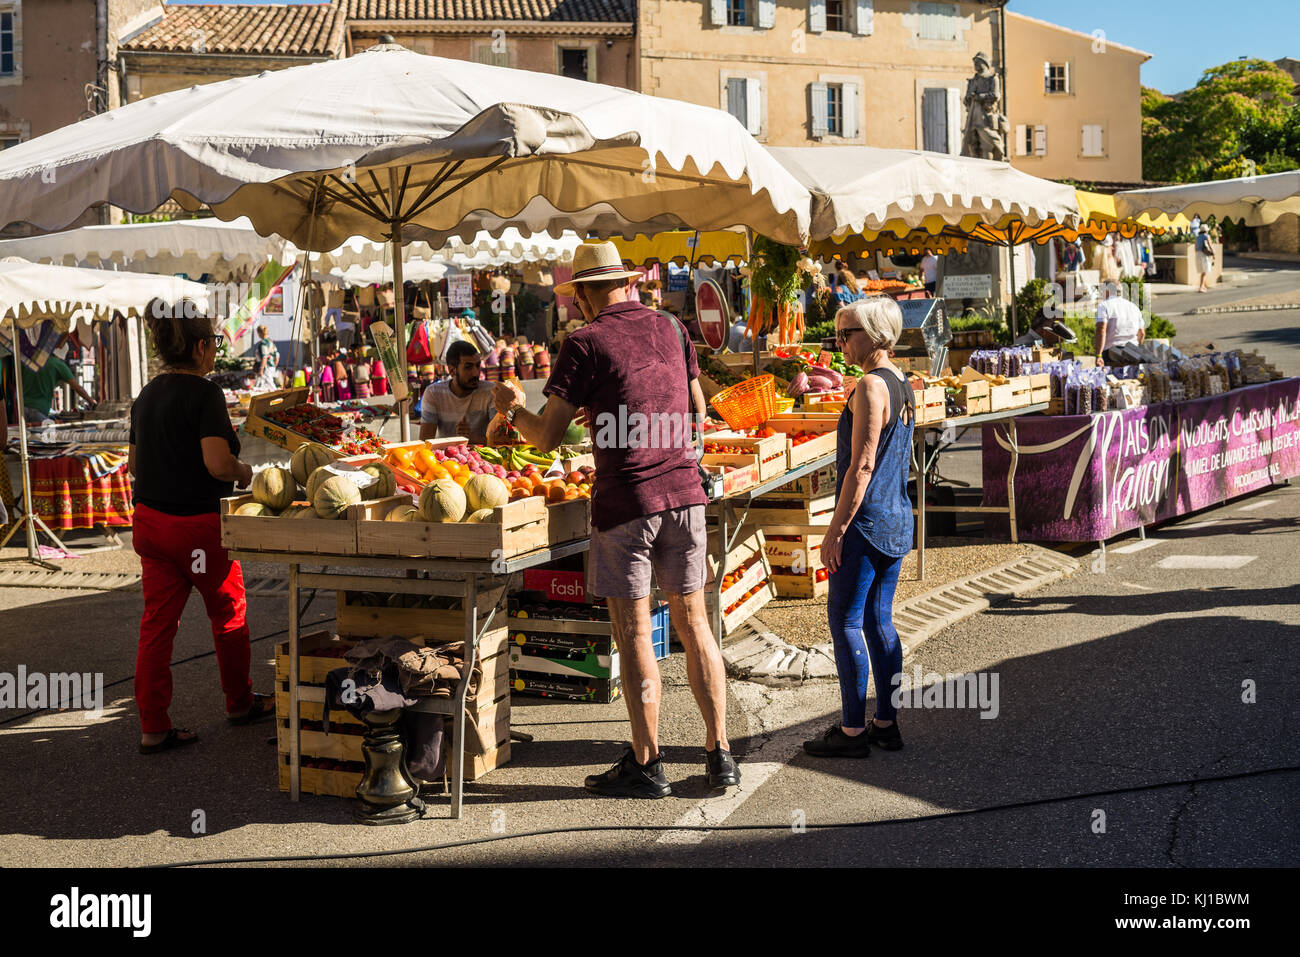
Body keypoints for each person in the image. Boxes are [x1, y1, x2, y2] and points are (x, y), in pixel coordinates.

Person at [492, 241, 738, 797]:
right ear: (627, 282)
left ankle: (649, 763)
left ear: (581, 294)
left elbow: (548, 436)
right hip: (685, 492)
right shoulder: (673, 329)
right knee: (695, 624)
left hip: (626, 504)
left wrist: (510, 409)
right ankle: (719, 752)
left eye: (575, 295)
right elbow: (698, 409)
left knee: (633, 636)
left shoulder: (583, 342)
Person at [128, 299, 272, 755]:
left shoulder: (147, 394)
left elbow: (134, 465)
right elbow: (216, 464)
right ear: (200, 347)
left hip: (150, 524)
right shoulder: (205, 395)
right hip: (194, 527)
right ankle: (239, 702)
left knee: (156, 627)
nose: (215, 350)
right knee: (228, 614)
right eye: (212, 341)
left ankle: (153, 726)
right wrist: (245, 473)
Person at [805, 297, 914, 758]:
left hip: (866, 522)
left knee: (846, 619)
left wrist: (836, 528)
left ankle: (852, 732)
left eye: (846, 333)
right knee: (879, 620)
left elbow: (862, 464)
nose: (839, 342)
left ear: (872, 334)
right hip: (895, 515)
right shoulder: (901, 380)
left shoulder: (870, 385)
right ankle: (885, 723)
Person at [419, 340, 496, 444]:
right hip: (447, 458)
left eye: (478, 366)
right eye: (468, 367)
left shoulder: (491, 392)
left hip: (485, 457)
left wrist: (470, 438)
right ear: (452, 370)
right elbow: (425, 442)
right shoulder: (433, 393)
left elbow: (500, 441)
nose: (475, 373)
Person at [20, 353, 95, 422]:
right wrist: (92, 402)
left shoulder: (27, 361)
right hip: (39, 410)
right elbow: (78, 388)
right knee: (40, 436)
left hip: (21, 409)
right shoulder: (57, 363)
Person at [1095, 284, 1147, 364]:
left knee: (1111, 376)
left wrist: (1099, 355)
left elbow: (1101, 329)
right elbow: (1142, 333)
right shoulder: (1133, 306)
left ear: (1107, 291)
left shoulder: (1104, 305)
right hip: (1133, 351)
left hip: (1111, 353)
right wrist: (1138, 348)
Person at [253, 324, 279, 392]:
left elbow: (264, 357)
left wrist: (261, 369)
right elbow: (277, 355)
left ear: (259, 333)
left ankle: (279, 398)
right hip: (271, 366)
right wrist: (274, 365)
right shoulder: (271, 342)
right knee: (265, 386)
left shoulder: (263, 343)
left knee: (270, 385)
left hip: (266, 367)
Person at [1195, 224, 1216, 293]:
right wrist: (1213, 253)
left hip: (1198, 254)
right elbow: (1210, 245)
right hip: (1204, 255)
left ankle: (1202, 286)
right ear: (1206, 230)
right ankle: (1201, 287)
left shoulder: (1197, 237)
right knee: (1204, 272)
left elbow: (1195, 248)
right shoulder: (1206, 236)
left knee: (1202, 271)